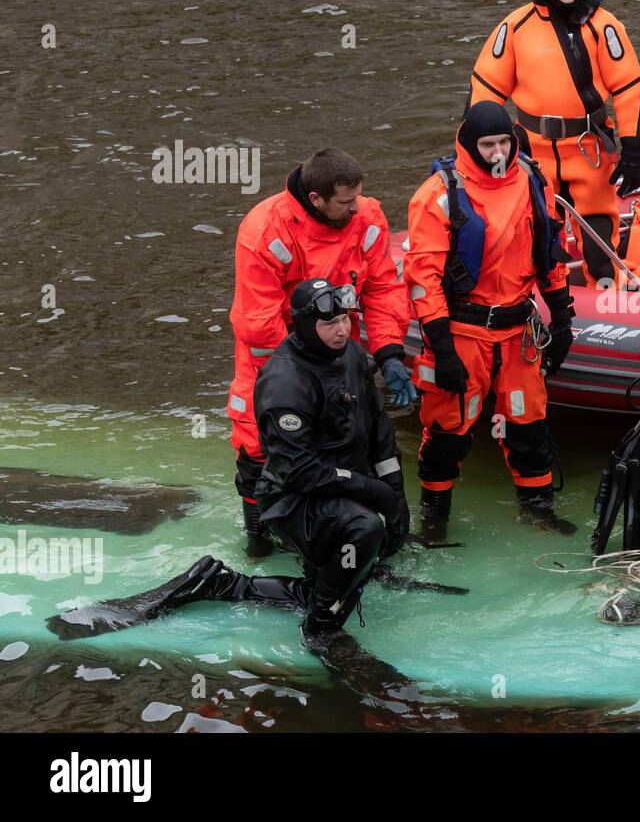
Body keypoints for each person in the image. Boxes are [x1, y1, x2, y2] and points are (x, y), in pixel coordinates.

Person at [47, 279, 411, 647]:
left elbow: (380, 430)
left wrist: (395, 493)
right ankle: (319, 627)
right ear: (304, 325)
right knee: (365, 531)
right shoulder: (286, 381)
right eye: (329, 323)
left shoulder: (351, 357)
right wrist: (376, 494)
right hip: (295, 497)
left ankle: (223, 582)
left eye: (346, 319)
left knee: (359, 556)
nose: (342, 330)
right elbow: (301, 471)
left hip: (341, 485)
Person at [227, 148, 416, 545]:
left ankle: (347, 535)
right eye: (345, 203)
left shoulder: (366, 217)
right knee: (260, 448)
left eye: (357, 199)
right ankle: (259, 540)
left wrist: (389, 353)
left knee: (355, 441)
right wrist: (298, 382)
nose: (355, 209)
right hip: (278, 359)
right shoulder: (266, 230)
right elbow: (258, 321)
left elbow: (383, 288)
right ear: (316, 199)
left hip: (340, 348)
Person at [404, 102, 576, 537]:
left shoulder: (533, 180)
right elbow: (424, 278)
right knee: (447, 431)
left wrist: (562, 319)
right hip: (463, 329)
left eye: (504, 142)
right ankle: (434, 521)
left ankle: (537, 511)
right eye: (488, 144)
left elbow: (550, 252)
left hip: (518, 329)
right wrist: (441, 348)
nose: (498, 152)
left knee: (529, 424)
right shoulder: (438, 196)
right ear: (469, 144)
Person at [469, 0, 640, 286]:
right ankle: (538, 302)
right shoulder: (516, 28)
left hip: (589, 150)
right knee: (533, 240)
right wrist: (478, 156)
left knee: (599, 249)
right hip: (532, 153)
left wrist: (633, 153)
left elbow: (628, 88)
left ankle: (606, 302)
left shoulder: (603, 26)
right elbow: (485, 91)